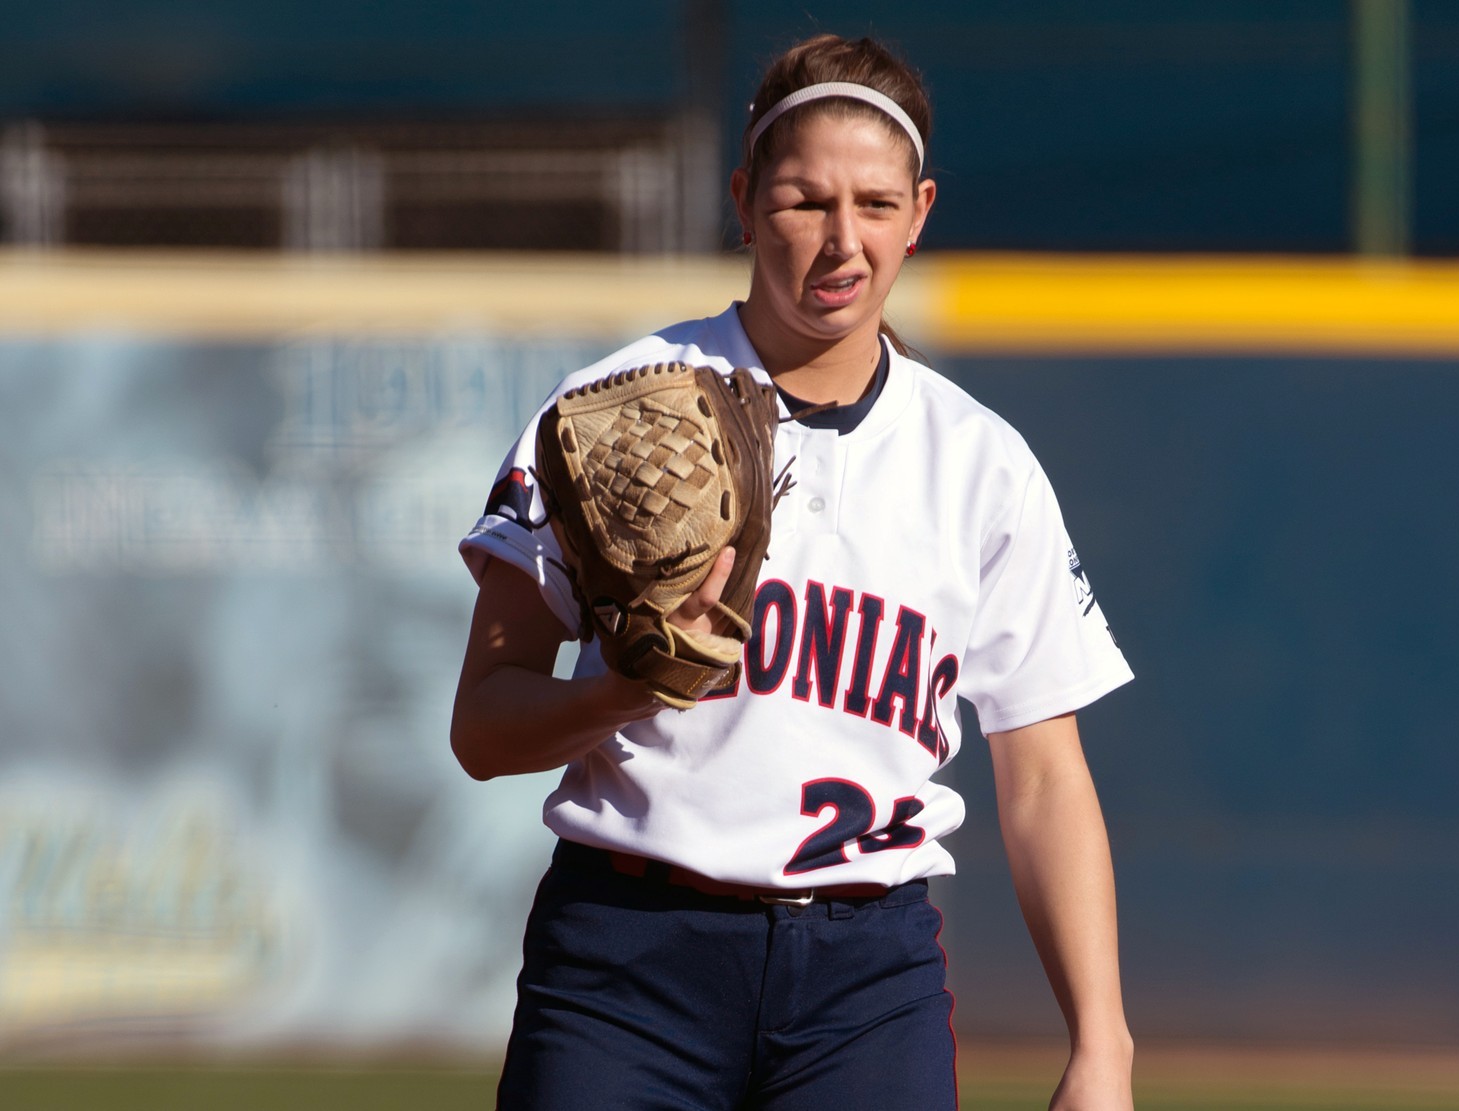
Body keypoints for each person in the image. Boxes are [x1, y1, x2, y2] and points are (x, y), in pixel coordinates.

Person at [452, 33, 1136, 1111]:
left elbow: (1045, 778)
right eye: (805, 200)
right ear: (743, 201)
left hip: (866, 982)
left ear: (920, 213)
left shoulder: (979, 463)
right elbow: (483, 726)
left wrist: (1103, 1045)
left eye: (875, 204)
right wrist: (621, 693)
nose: (841, 240)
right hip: (627, 965)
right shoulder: (613, 412)